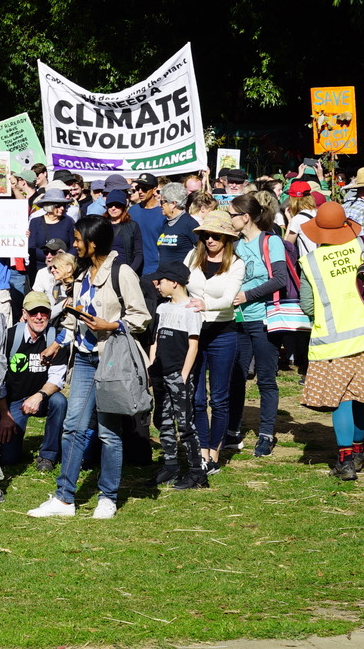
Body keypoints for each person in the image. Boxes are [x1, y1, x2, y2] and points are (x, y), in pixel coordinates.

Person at [29, 216, 150, 519]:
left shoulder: (121, 273)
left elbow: (141, 316)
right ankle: (64, 498)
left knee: (109, 433)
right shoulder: (82, 274)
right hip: (83, 359)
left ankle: (108, 496)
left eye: (79, 239)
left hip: (111, 361)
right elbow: (74, 316)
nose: (75, 244)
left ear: (93, 242)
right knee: (73, 427)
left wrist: (110, 325)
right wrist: (58, 343)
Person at [298, 202, 364, 480]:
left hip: (332, 341)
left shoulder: (310, 262)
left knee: (341, 401)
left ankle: (344, 462)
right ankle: (357, 451)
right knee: (361, 400)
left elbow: (308, 305)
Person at [226, 193, 289, 457]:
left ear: (245, 216)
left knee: (266, 379)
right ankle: (231, 431)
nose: (229, 220)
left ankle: (265, 433)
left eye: (232, 215)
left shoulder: (271, 241)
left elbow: (280, 279)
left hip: (264, 319)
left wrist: (248, 295)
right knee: (236, 378)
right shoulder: (234, 245)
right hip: (238, 320)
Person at [183, 210, 244, 475]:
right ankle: (200, 449)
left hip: (223, 333)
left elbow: (230, 297)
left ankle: (214, 454)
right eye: (206, 235)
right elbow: (182, 286)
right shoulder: (193, 257)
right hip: (195, 331)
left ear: (227, 238)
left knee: (219, 398)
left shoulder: (236, 263)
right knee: (196, 398)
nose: (209, 240)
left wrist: (204, 304)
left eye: (216, 235)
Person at [147, 262, 206, 488]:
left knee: (184, 423)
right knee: (162, 419)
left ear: (174, 283)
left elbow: (193, 346)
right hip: (161, 374)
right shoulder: (162, 309)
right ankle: (170, 465)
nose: (157, 285)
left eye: (161, 281)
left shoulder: (190, 310)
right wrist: (153, 367)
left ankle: (196, 471)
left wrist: (183, 376)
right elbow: (155, 340)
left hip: (177, 375)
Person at [0, 291, 67, 471]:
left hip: (41, 398)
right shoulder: (9, 337)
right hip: (13, 401)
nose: (38, 317)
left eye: (43, 312)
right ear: (24, 314)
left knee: (59, 401)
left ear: (50, 314)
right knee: (8, 458)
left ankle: (48, 455)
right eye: (33, 312)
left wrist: (38, 396)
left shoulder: (56, 339)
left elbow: (57, 378)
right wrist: (4, 415)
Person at [27, 188, 75, 280]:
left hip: (62, 269)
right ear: (49, 205)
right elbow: (31, 247)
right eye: (58, 205)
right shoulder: (35, 222)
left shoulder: (68, 222)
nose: (62, 208)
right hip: (40, 269)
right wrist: (50, 256)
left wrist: (62, 258)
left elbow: (74, 246)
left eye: (64, 205)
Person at [127, 172, 164, 276]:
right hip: (134, 268)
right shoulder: (132, 211)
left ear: (154, 189)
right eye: (138, 188)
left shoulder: (163, 212)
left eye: (144, 189)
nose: (140, 192)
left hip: (155, 268)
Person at [156, 183, 198, 268]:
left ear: (173, 204)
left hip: (180, 277)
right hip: (164, 276)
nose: (160, 205)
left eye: (162, 202)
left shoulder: (190, 224)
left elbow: (201, 251)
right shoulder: (165, 223)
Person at [103, 190, 144, 272]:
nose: (113, 208)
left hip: (125, 270)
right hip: (104, 270)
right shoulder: (101, 225)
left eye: (117, 205)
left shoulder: (132, 226)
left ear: (123, 207)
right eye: (110, 205)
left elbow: (138, 253)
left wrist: (130, 271)